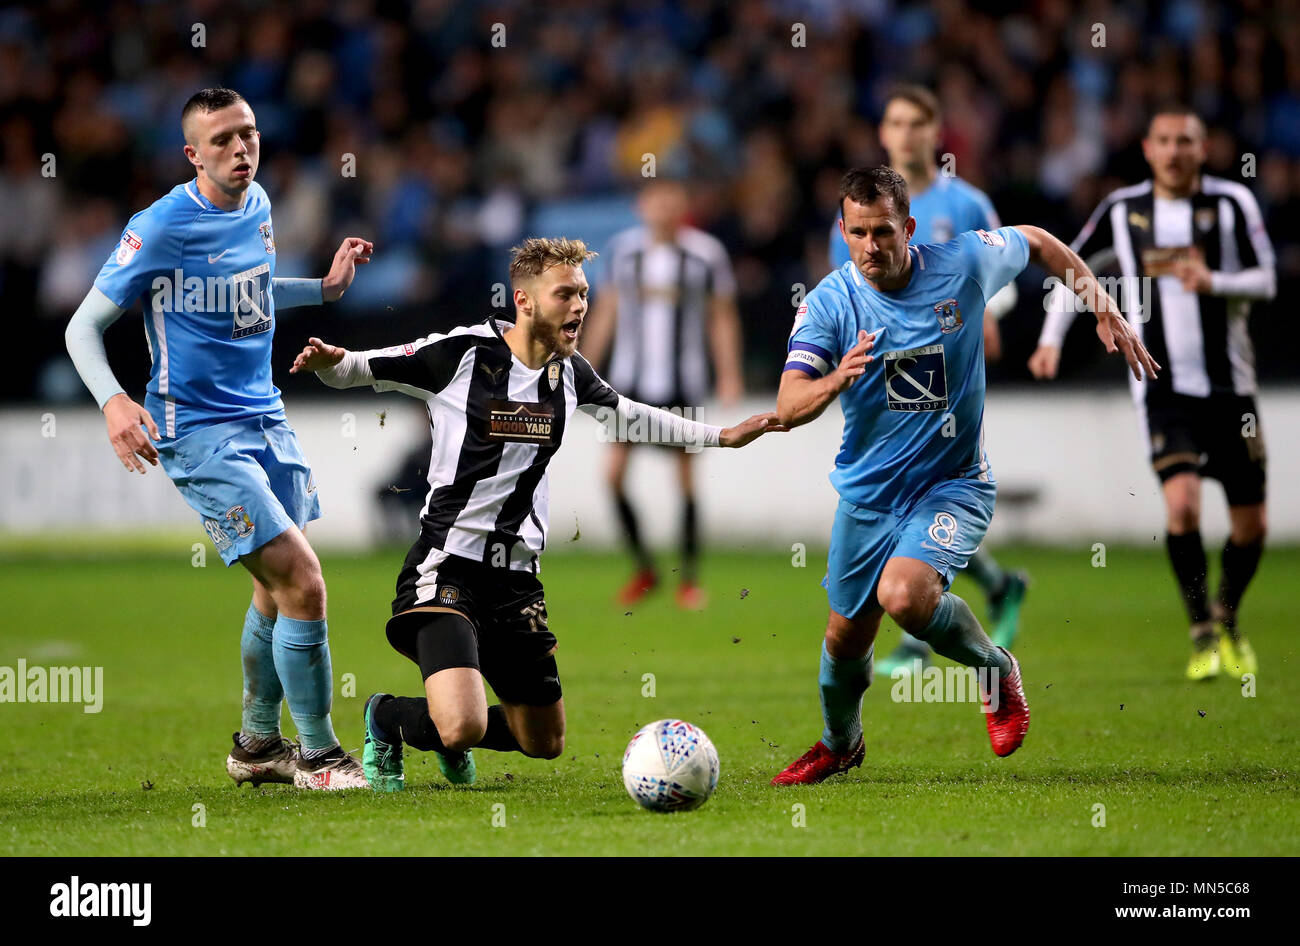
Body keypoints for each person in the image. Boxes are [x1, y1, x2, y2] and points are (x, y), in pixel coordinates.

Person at [290, 237, 779, 792]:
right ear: (523, 300)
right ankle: (388, 718)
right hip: (447, 566)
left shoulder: (570, 373)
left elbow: (630, 417)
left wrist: (721, 436)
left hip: (517, 580)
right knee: (463, 723)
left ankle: (453, 733)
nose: (580, 307)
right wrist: (330, 364)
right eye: (565, 294)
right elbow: (358, 368)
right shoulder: (464, 353)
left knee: (543, 743)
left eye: (584, 294)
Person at [773, 166, 1158, 785]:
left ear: (910, 227)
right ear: (843, 232)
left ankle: (994, 670)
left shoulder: (963, 263)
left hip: (953, 484)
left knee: (904, 596)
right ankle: (839, 744)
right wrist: (833, 381)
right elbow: (788, 406)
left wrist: (1100, 303)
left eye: (885, 232)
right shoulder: (827, 304)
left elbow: (1035, 239)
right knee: (844, 642)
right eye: (859, 233)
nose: (872, 246)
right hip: (868, 497)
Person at [64, 88, 373, 790]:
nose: (242, 149)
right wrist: (114, 401)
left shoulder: (259, 205)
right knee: (303, 578)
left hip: (264, 416)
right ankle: (320, 757)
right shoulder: (163, 224)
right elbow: (80, 327)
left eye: (250, 134)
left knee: (275, 590)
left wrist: (322, 290)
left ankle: (258, 746)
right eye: (225, 139)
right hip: (196, 430)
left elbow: (252, 292)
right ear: (192, 153)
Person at [1029, 105, 1274, 682]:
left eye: (1185, 141)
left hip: (1232, 390)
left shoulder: (1231, 204)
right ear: (1147, 148)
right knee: (1183, 504)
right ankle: (1201, 635)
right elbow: (1073, 265)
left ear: (1203, 147)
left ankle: (1229, 614)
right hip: (1160, 386)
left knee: (1252, 526)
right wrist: (1051, 338)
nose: (1174, 151)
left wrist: (1213, 281)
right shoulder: (1122, 209)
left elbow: (1266, 277)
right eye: (1164, 140)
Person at [830, 85, 1028, 675]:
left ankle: (919, 635)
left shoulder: (965, 204)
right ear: (883, 132)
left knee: (938, 482)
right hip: (880, 366)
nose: (907, 133)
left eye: (918, 123)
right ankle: (995, 585)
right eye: (895, 122)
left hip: (949, 361)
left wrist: (987, 317)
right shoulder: (862, 205)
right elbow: (845, 283)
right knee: (906, 495)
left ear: (935, 132)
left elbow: (1002, 271)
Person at [581, 179, 744, 609]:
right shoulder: (623, 251)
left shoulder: (706, 254)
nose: (665, 211)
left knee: (686, 480)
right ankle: (645, 570)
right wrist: (582, 367)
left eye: (673, 203)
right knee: (613, 476)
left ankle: (689, 580)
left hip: (682, 382)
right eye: (657, 202)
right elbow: (607, 309)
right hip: (627, 385)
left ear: (683, 207)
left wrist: (728, 373)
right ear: (642, 206)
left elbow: (721, 316)